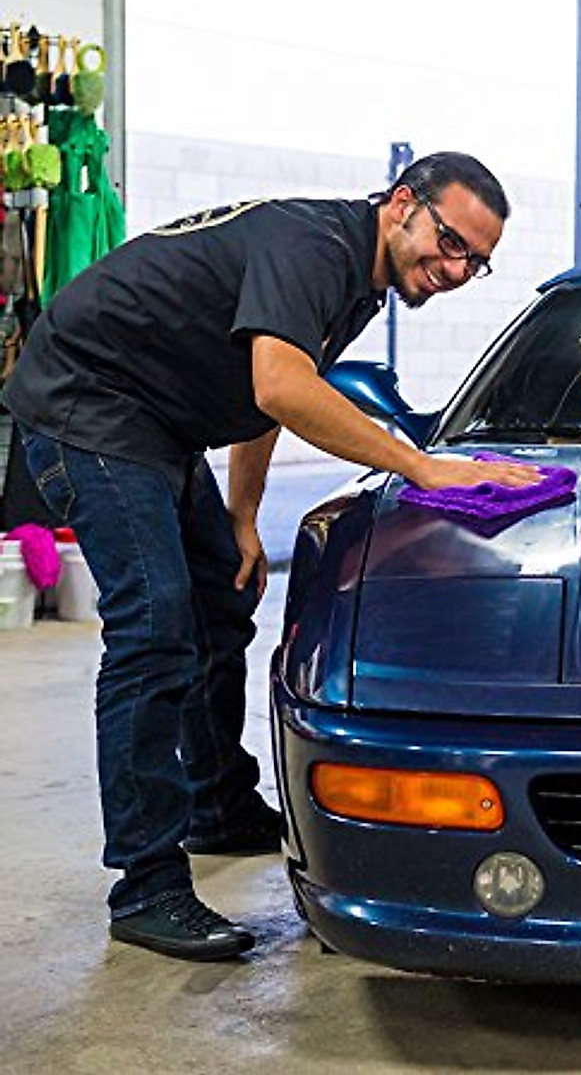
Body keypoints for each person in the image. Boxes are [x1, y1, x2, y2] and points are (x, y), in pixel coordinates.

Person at [1, 151, 540, 962]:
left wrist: (243, 516)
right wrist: (422, 467)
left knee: (221, 599)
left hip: (160, 425)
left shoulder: (359, 278)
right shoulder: (314, 247)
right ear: (402, 204)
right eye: (451, 242)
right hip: (88, 406)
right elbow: (280, 386)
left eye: (477, 260)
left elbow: (270, 388)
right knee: (155, 630)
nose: (457, 269)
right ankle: (146, 885)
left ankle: (217, 806)